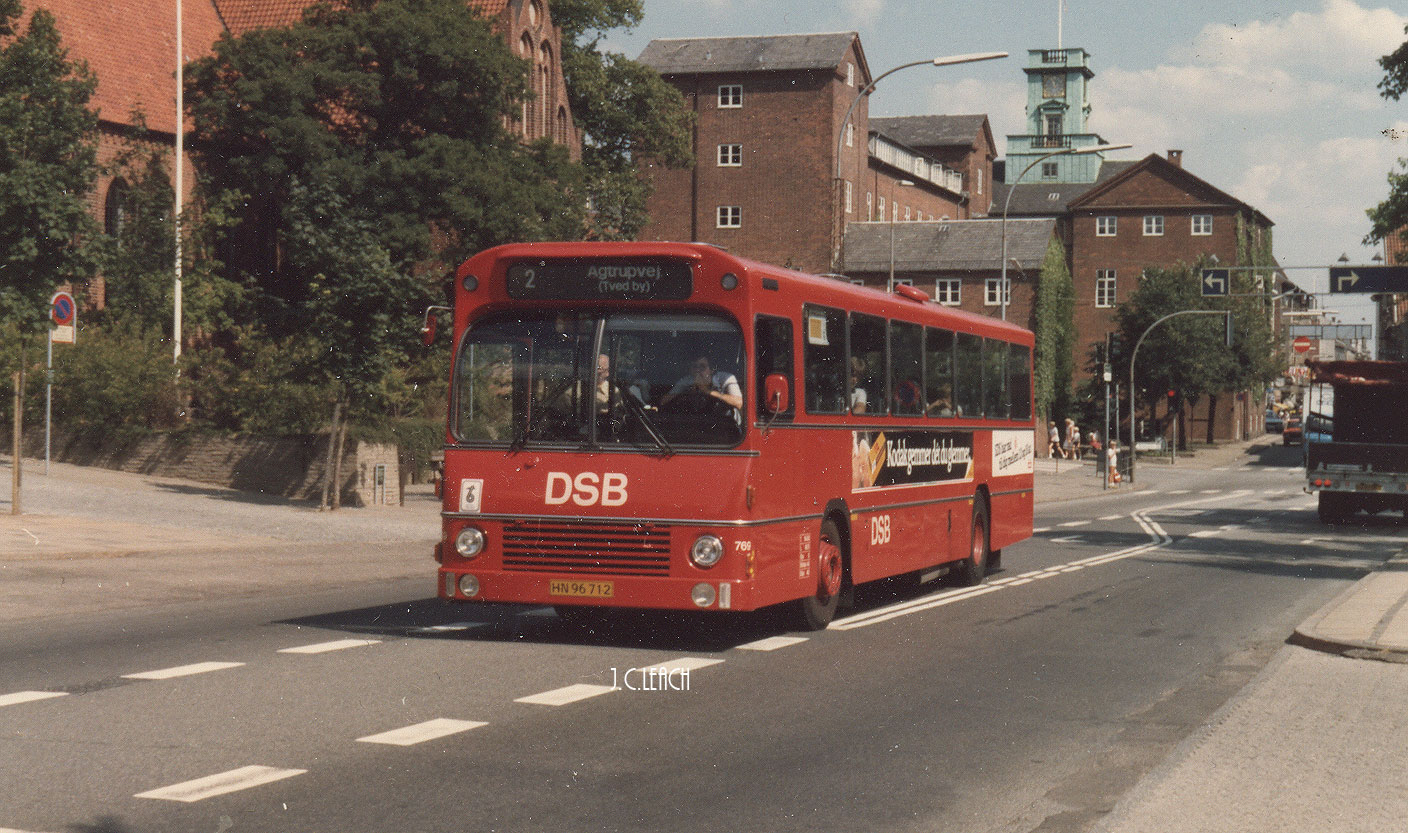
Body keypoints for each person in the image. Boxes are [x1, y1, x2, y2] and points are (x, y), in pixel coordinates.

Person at [660, 355, 743, 413]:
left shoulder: (725, 378)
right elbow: (663, 401)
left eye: (702, 367)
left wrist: (707, 391)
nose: (698, 370)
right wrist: (685, 393)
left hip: (727, 423)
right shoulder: (687, 380)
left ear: (711, 370)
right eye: (694, 367)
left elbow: (739, 403)